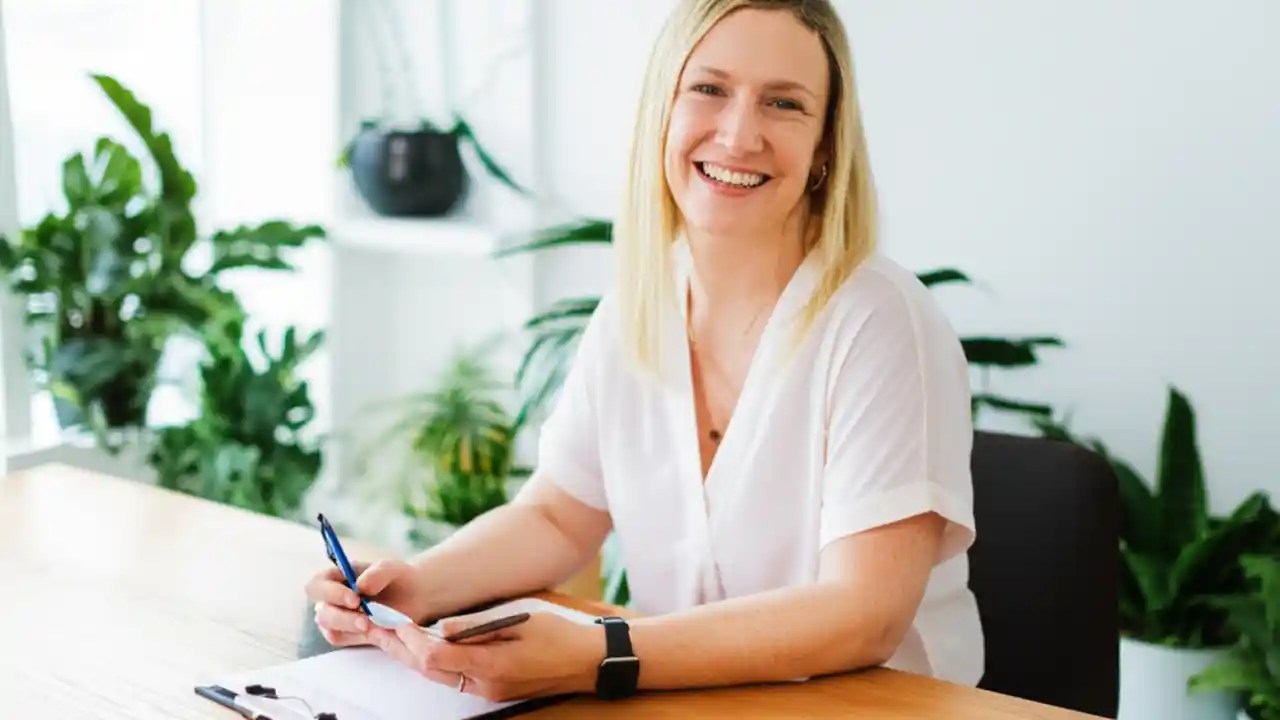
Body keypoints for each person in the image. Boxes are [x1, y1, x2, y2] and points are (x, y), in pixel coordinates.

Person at [307, 0, 982, 703]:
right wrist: (417, 584)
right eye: (710, 89)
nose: (739, 133)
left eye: (784, 104)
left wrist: (603, 653)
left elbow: (863, 614)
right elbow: (557, 517)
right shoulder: (637, 306)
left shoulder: (880, 321)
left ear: (824, 150)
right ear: (663, 109)